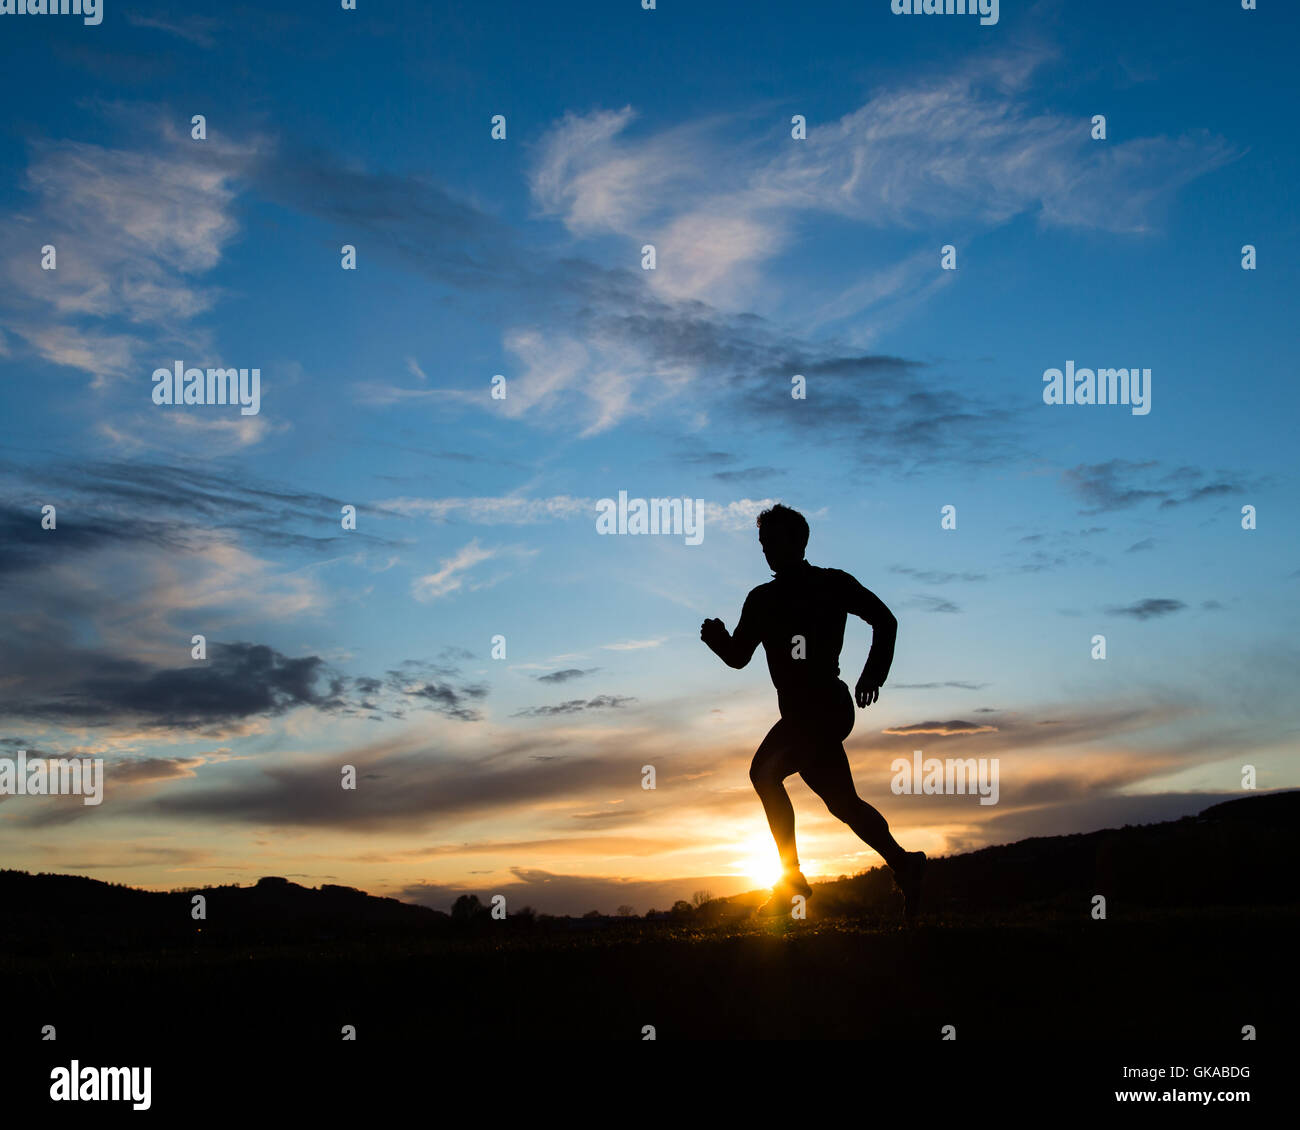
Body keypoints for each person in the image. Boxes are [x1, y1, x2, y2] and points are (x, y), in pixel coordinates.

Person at [700, 503, 925, 918]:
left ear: (798, 542)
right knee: (842, 803)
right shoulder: (762, 600)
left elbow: (885, 620)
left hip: (825, 706)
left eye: (774, 541)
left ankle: (792, 885)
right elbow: (738, 657)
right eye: (763, 543)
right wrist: (716, 639)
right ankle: (906, 864)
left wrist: (872, 674)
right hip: (800, 717)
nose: (767, 550)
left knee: (764, 773)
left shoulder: (830, 584)